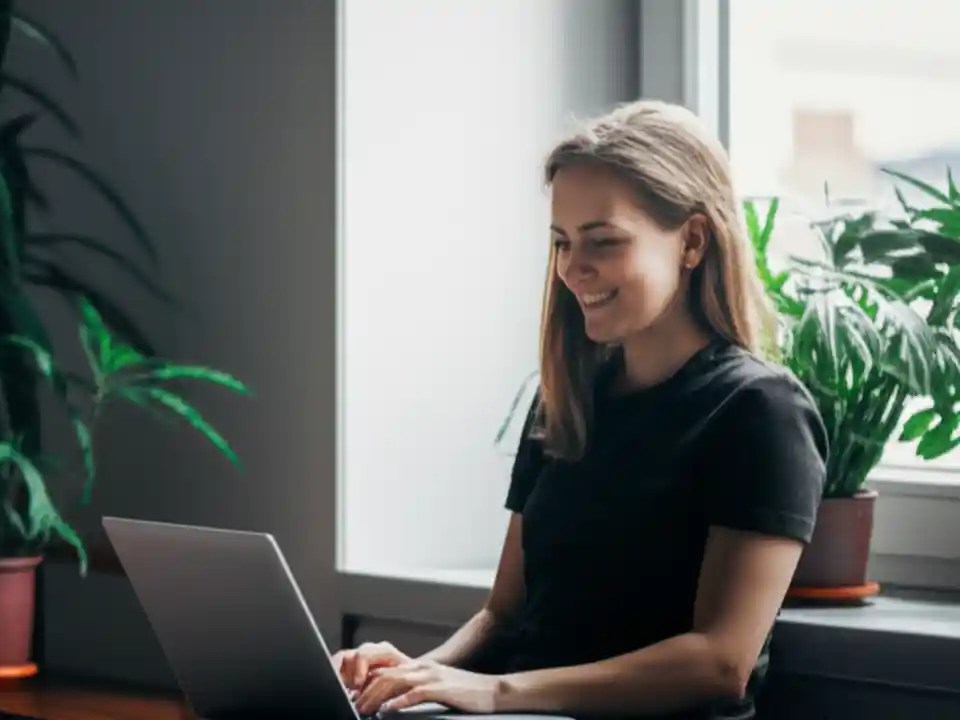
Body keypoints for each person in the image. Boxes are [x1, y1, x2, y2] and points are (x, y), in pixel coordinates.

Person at [331, 100, 827, 720]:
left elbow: (720, 662)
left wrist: (498, 692)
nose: (573, 268)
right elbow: (504, 618)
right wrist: (411, 678)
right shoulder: (566, 398)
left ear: (693, 241)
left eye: (604, 242)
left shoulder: (759, 411)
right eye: (562, 243)